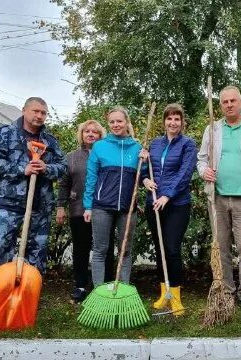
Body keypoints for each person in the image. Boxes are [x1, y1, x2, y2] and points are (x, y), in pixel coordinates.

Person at [0, 97, 66, 299]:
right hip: (10, 203)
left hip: (40, 204)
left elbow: (62, 167)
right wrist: (22, 169)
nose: (39, 116)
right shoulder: (6, 133)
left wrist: (47, 168)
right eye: (35, 111)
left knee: (37, 250)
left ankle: (29, 295)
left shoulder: (50, 141)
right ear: (24, 110)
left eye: (43, 113)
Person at [197, 85, 241, 310]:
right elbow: (201, 159)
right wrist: (203, 171)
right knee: (222, 247)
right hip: (217, 198)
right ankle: (226, 290)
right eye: (224, 102)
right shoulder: (212, 129)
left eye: (233, 101)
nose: (229, 105)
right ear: (220, 105)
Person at [141, 103, 197, 316]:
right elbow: (146, 169)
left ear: (182, 122)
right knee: (160, 249)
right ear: (164, 121)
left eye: (177, 119)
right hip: (153, 203)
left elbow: (185, 173)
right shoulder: (154, 144)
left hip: (177, 204)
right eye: (169, 118)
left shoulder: (188, 145)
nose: (173, 122)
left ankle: (175, 296)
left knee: (172, 249)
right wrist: (145, 178)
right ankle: (163, 293)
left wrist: (167, 195)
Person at [83, 107, 143, 286]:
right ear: (108, 124)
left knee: (125, 250)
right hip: (101, 206)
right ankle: (98, 292)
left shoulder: (137, 147)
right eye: (112, 122)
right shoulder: (100, 146)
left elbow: (143, 176)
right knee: (100, 249)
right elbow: (91, 177)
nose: (116, 125)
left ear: (126, 122)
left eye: (119, 121)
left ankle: (123, 290)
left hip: (128, 207)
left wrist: (145, 161)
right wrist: (88, 205)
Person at [56, 119, 106, 303]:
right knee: (81, 249)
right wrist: (61, 206)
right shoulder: (71, 157)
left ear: (101, 136)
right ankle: (80, 285)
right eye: (87, 131)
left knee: (103, 249)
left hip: (103, 210)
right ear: (82, 134)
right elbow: (64, 184)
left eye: (95, 132)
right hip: (78, 209)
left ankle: (103, 285)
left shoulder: (106, 155)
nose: (91, 134)